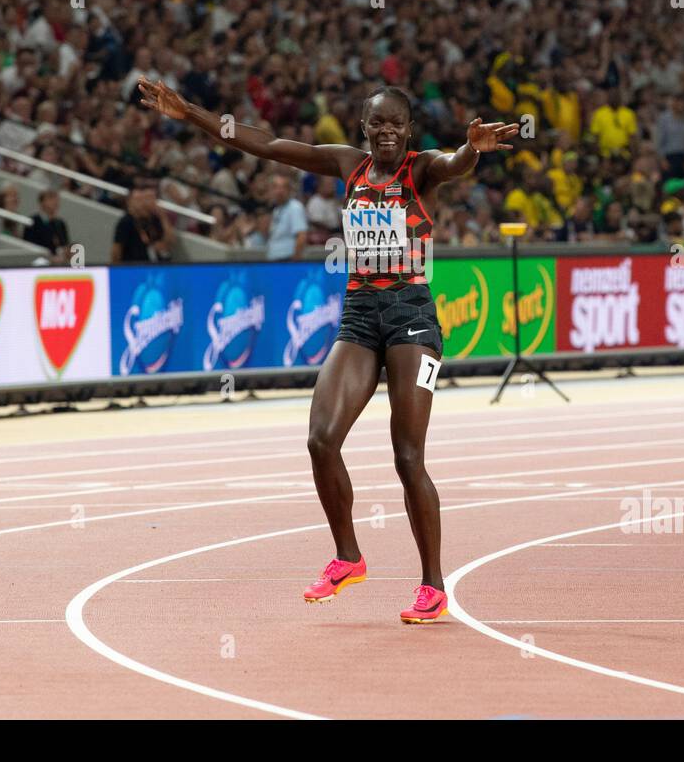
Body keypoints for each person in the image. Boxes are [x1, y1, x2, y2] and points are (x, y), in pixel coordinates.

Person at [139, 77, 516, 624]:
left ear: (408, 130)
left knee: (408, 457)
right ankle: (348, 556)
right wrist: (192, 112)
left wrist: (470, 150)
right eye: (376, 123)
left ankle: (432, 585)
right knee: (321, 440)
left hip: (412, 319)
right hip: (360, 317)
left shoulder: (423, 168)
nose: (386, 132)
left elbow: (455, 164)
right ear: (363, 128)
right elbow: (264, 145)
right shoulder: (348, 166)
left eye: (396, 124)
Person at [111, 180, 174, 263]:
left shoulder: (154, 218)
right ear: (130, 202)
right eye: (139, 200)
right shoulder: (126, 222)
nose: (143, 203)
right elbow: (116, 252)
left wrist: (163, 218)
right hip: (134, 268)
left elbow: (170, 241)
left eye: (152, 198)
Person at [266, 174, 308, 260]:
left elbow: (301, 236)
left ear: (289, 190)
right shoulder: (276, 209)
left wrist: (294, 262)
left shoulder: (295, 207)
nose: (279, 191)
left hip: (287, 260)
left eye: (283, 187)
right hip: (275, 260)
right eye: (276, 187)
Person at [25, 189, 71, 261]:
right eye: (50, 198)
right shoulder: (33, 222)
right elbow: (29, 245)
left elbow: (65, 244)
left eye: (56, 198)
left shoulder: (60, 223)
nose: (55, 201)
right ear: (42, 202)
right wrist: (50, 258)